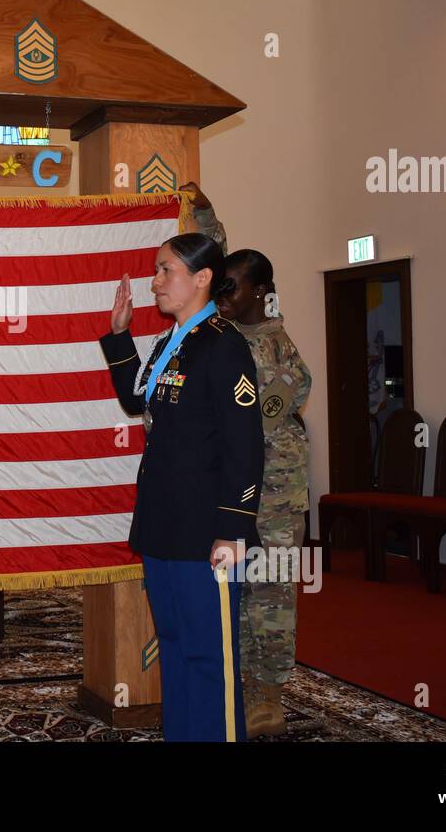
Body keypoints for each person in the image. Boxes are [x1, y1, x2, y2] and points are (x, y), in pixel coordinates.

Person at [100, 233, 264, 742]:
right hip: (164, 525)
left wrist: (233, 530)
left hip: (206, 533)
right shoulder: (173, 342)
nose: (153, 282)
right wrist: (120, 336)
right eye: (156, 270)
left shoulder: (224, 345)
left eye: (164, 270)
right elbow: (136, 399)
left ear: (202, 278)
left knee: (209, 656)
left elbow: (245, 447)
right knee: (173, 644)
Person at [184, 181, 313, 739]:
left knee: (271, 594)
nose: (221, 294)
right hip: (234, 490)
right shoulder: (225, 332)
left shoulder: (278, 349)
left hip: (277, 499)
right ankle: (235, 680)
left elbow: (249, 417)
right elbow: (216, 264)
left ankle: (268, 692)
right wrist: (206, 216)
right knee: (229, 590)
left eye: (233, 288)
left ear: (261, 293)